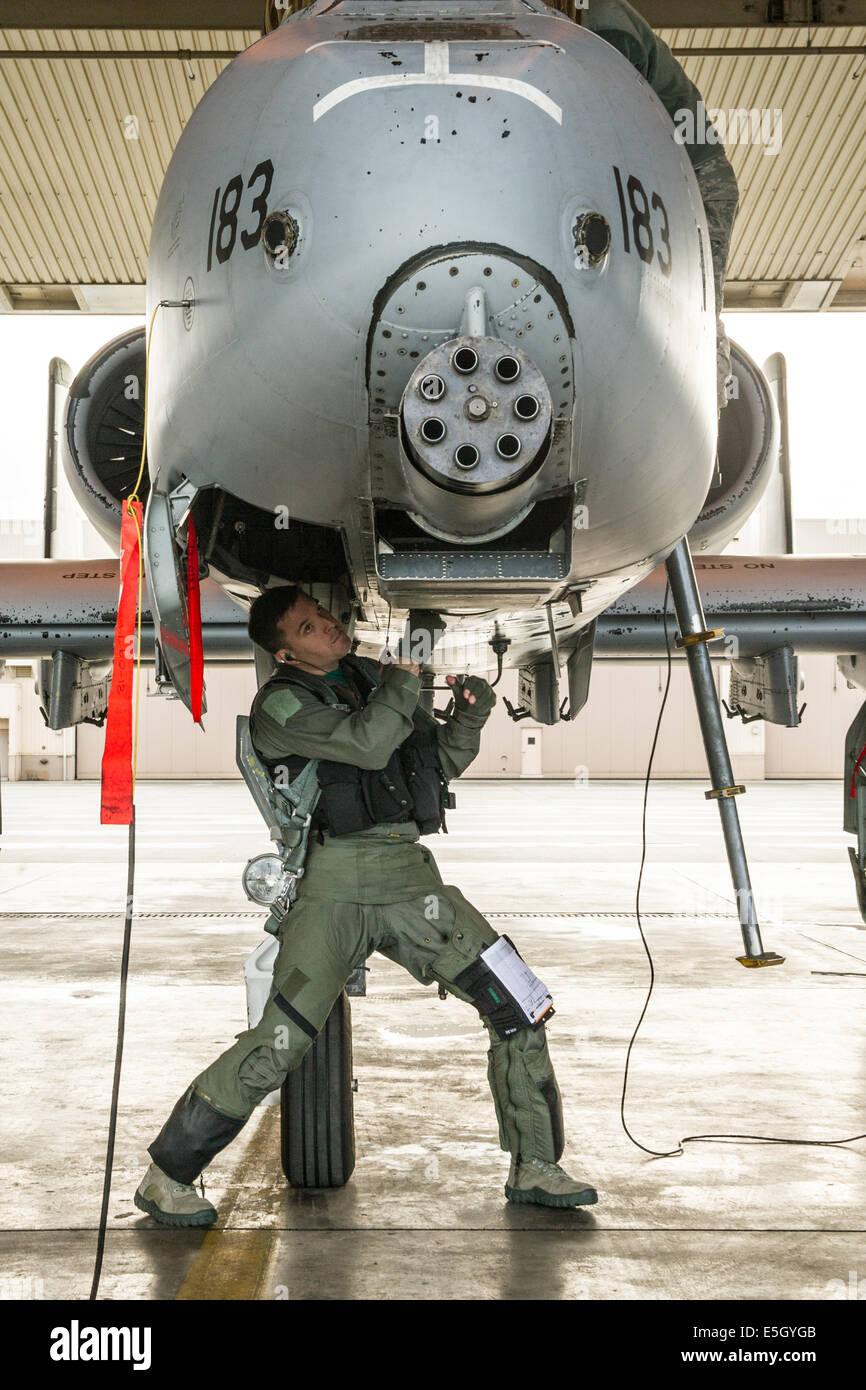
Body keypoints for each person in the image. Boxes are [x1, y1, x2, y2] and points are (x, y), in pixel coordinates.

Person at [134, 587, 598, 1225]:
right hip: (334, 889)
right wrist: (404, 679)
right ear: (284, 652)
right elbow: (369, 744)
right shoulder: (282, 704)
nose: (326, 627)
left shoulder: (371, 680)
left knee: (519, 1002)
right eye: (308, 626)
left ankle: (536, 1164)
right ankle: (168, 1175)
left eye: (323, 617)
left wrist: (468, 715)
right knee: (278, 1042)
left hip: (412, 883)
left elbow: (432, 765)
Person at [579, 0, 739, 408]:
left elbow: (609, 118)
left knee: (698, 305)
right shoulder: (591, 17)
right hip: (674, 168)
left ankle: (712, 390)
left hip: (700, 182)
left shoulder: (603, 26)